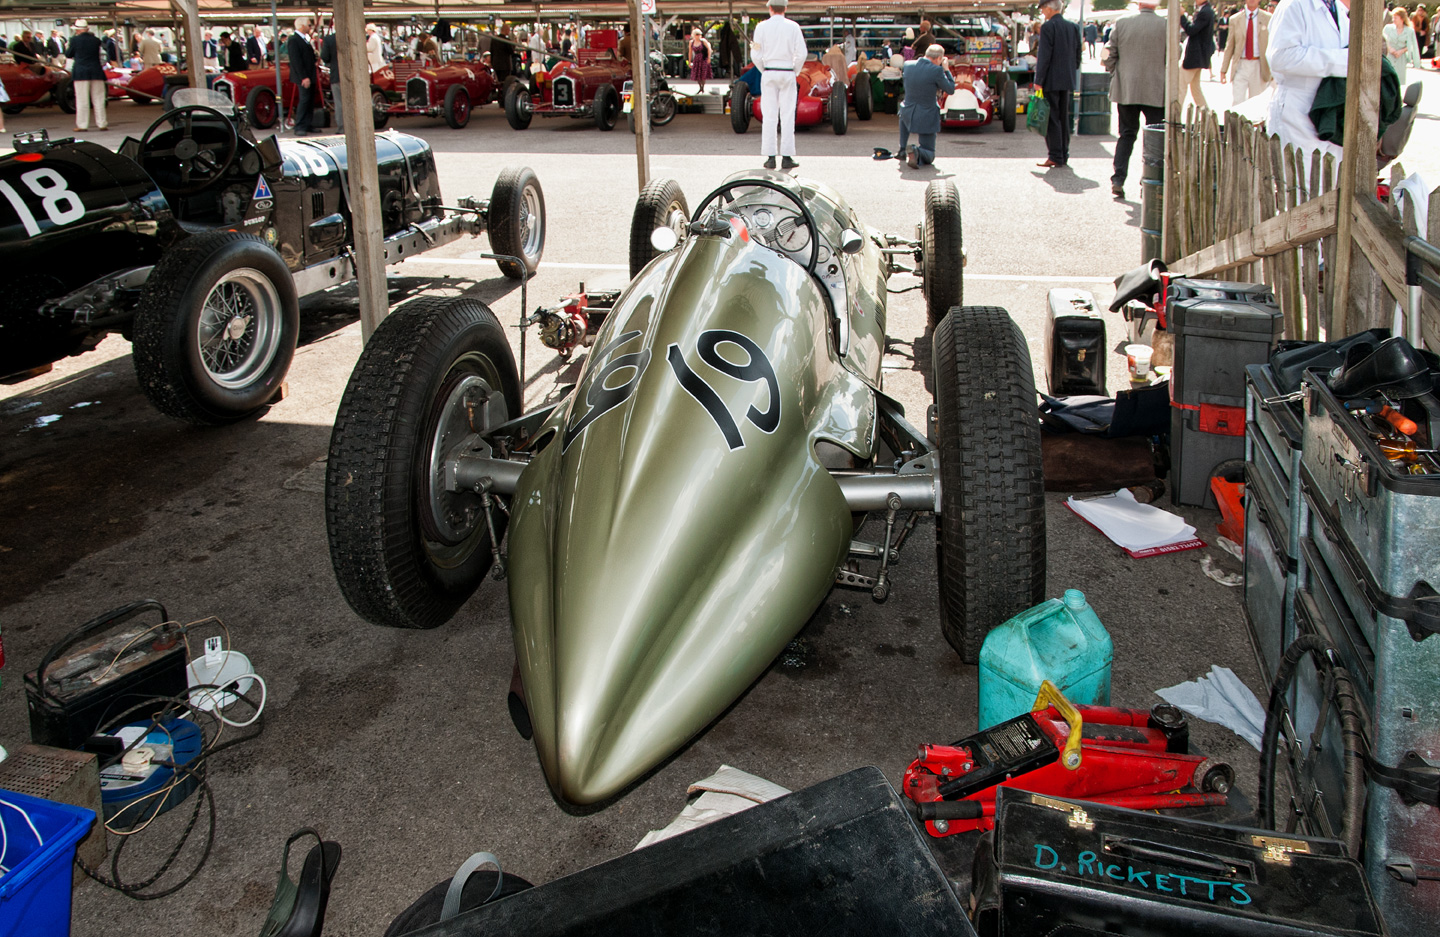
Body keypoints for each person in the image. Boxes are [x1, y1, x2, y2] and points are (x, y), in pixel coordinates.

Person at [1266, 0, 1350, 161]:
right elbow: (1280, 57)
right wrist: (1342, 61)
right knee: (1299, 182)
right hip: (1297, 111)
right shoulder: (1293, 5)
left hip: (1330, 112)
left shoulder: (1338, 9)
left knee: (1329, 182)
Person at [1105, 0, 1167, 198]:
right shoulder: (1165, 25)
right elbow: (1176, 54)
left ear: (1139, 3)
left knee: (1126, 134)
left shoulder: (1121, 22)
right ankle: (1149, 181)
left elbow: (1108, 52)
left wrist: (1113, 69)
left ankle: (1118, 177)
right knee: (1154, 139)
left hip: (1127, 87)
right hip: (1156, 88)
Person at [750, 0, 807, 170]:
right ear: (785, 8)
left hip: (769, 72)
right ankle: (787, 156)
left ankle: (770, 157)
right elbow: (802, 53)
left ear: (770, 8)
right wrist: (794, 70)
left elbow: (755, 54)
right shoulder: (793, 27)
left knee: (769, 115)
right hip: (787, 71)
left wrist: (764, 69)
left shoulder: (761, 27)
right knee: (788, 114)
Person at [1035, 0, 1081, 169]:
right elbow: (1078, 53)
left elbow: (1044, 56)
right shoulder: (1073, 27)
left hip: (1051, 79)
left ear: (1048, 8)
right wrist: (1071, 69)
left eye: (1043, 10)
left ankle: (1055, 155)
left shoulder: (1048, 27)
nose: (1043, 13)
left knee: (1051, 118)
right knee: (1063, 117)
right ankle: (1063, 153)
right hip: (1067, 78)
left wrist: (1038, 81)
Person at [896, 44, 955, 168]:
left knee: (904, 110)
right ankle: (916, 151)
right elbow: (950, 89)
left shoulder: (908, 65)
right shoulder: (937, 70)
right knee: (929, 153)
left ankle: (902, 150)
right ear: (939, 58)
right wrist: (946, 69)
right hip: (926, 115)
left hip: (906, 113)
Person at [1221, 0, 1272, 104]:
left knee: (1256, 103)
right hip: (1240, 64)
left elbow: (1273, 44)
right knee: (1237, 101)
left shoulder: (1268, 18)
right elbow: (1230, 46)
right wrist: (1223, 70)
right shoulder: (1235, 19)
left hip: (1259, 65)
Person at [68, 20, 107, 133]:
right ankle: (102, 123)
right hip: (96, 71)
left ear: (77, 30)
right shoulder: (96, 40)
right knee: (99, 99)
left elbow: (68, 54)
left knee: (82, 99)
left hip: (81, 72)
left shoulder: (74, 40)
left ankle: (82, 125)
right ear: (87, 29)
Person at [1180, 0, 1217, 109]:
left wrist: (1182, 16)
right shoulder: (1205, 10)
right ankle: (1207, 115)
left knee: (1180, 86)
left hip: (1195, 57)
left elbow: (1191, 30)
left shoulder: (1205, 12)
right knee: (1195, 89)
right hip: (1198, 56)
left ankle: (1174, 118)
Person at [288, 17, 317, 135]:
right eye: (309, 25)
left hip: (310, 74)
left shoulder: (304, 39)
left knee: (310, 100)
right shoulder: (294, 40)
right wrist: (303, 77)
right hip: (303, 76)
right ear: (302, 26)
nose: (310, 28)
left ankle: (307, 124)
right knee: (304, 100)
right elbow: (296, 61)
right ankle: (299, 126)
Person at [1384, 6, 1420, 85]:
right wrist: (1390, 48)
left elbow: (1412, 45)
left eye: (1396, 18)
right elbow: (1383, 40)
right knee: (1388, 79)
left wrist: (1402, 51)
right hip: (1389, 55)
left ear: (1402, 19)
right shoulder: (1388, 28)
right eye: (1393, 17)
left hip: (1401, 57)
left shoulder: (1409, 31)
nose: (1393, 20)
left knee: (1398, 80)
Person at [320, 22, 341, 131]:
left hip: (336, 74)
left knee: (339, 103)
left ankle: (342, 128)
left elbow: (325, 57)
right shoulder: (355, 37)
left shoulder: (329, 39)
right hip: (354, 77)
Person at [688, 28, 714, 92]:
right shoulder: (691, 42)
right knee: (697, 74)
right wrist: (689, 61)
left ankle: (703, 87)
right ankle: (700, 87)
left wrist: (709, 57)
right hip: (696, 59)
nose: (698, 35)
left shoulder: (703, 41)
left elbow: (709, 49)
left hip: (703, 58)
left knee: (703, 74)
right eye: (697, 34)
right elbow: (690, 52)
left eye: (700, 34)